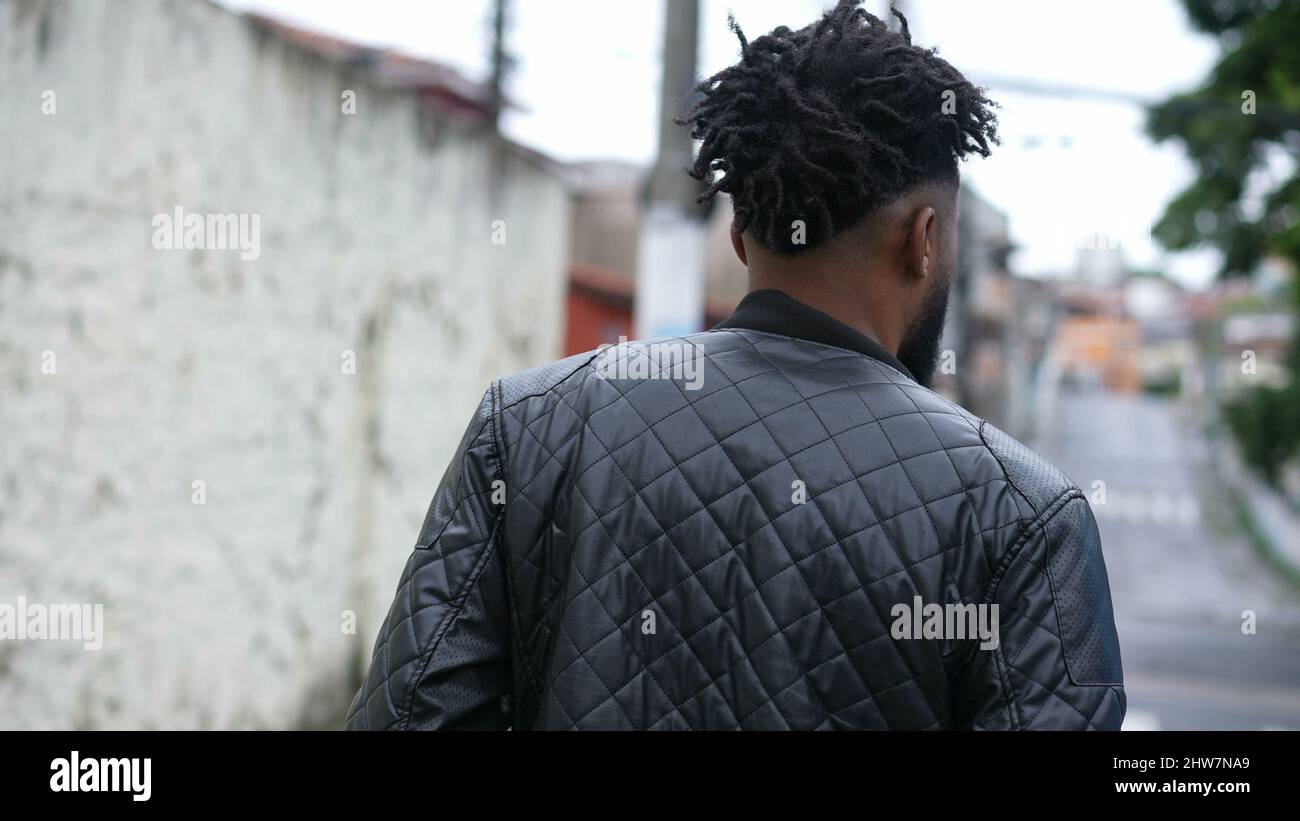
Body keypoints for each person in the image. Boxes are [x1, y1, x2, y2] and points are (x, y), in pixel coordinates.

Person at [346, 0, 1124, 731]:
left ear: (742, 237)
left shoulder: (526, 425)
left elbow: (412, 711)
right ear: (923, 240)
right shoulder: (1022, 516)